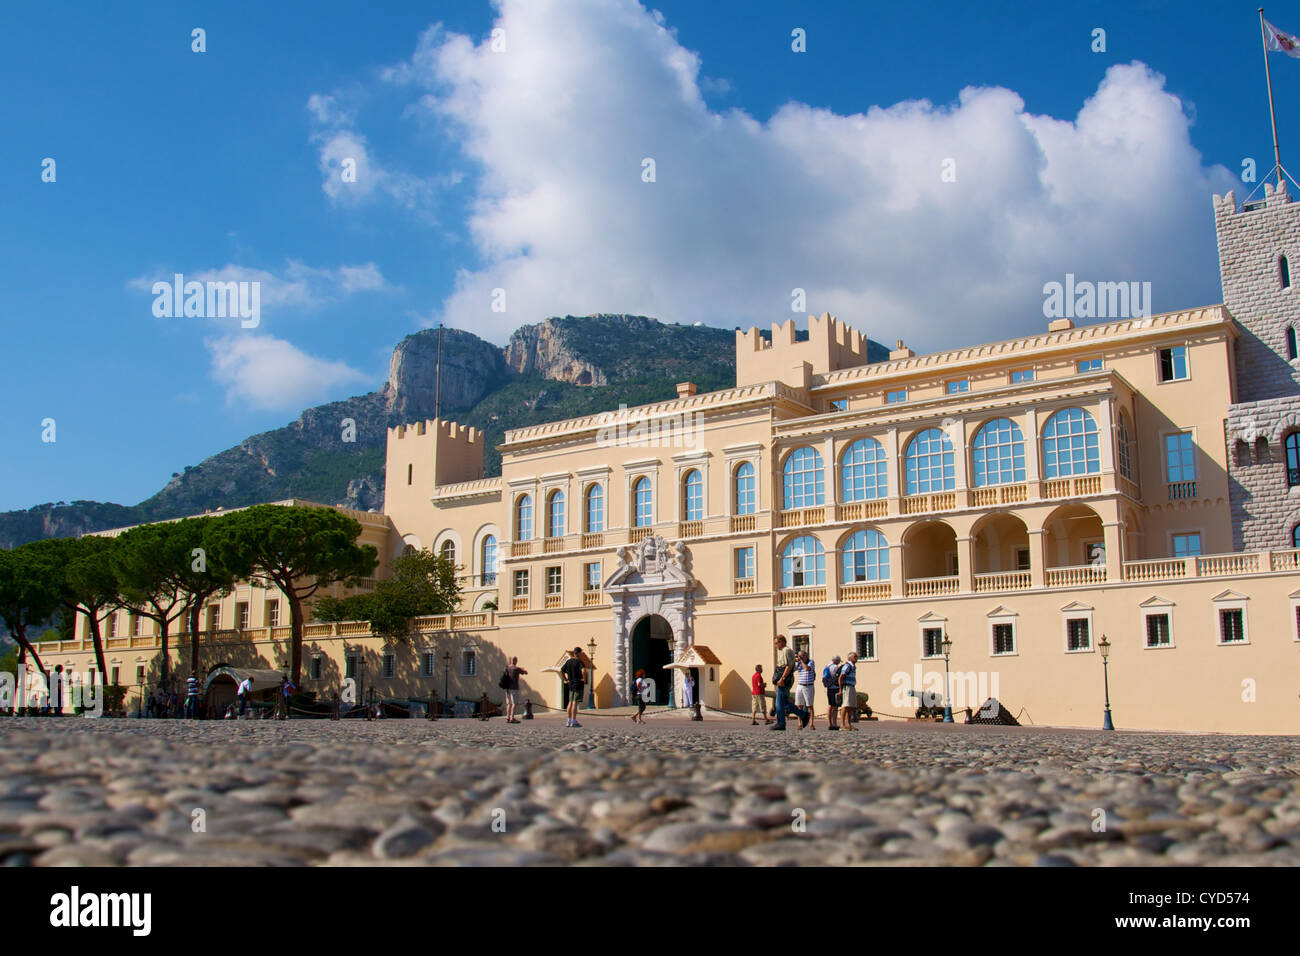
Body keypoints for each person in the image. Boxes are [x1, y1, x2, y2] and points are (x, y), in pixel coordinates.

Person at [771, 635, 807, 731]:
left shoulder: (787, 651)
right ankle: (783, 721)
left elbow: (788, 666)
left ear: (782, 642)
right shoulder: (784, 651)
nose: (775, 646)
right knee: (782, 702)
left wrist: (782, 679)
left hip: (785, 680)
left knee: (780, 703)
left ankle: (783, 722)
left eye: (776, 643)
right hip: (783, 679)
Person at [561, 647, 585, 728]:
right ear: (579, 653)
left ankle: (568, 720)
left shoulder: (568, 661)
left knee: (570, 702)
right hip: (578, 683)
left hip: (570, 683)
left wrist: (566, 680)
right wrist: (583, 678)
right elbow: (583, 671)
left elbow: (561, 670)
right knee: (575, 702)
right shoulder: (579, 662)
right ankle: (574, 721)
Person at [794, 650, 816, 729]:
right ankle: (800, 723)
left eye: (802, 656)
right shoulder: (798, 663)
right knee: (799, 706)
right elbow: (792, 668)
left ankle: (811, 724)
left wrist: (801, 661)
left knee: (810, 705)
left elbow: (807, 668)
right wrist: (794, 660)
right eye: (799, 656)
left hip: (808, 686)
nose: (800, 657)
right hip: (800, 685)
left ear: (805, 656)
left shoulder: (811, 662)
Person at [838, 652, 858, 730]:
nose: (857, 658)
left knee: (850, 706)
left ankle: (849, 724)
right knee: (845, 706)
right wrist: (840, 689)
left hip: (852, 686)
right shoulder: (847, 666)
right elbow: (841, 677)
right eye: (855, 656)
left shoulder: (853, 667)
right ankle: (842, 724)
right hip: (847, 687)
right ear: (850, 658)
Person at [504, 656, 527, 723]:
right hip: (514, 688)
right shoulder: (516, 669)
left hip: (507, 688)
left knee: (508, 703)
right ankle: (512, 717)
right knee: (514, 703)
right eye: (516, 660)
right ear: (515, 661)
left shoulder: (507, 668)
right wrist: (523, 669)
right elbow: (525, 672)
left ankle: (507, 717)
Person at [823, 655, 842, 730]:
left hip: (829, 688)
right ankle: (834, 723)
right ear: (836, 660)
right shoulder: (835, 667)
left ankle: (829, 723)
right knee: (835, 706)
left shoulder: (827, 666)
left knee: (830, 705)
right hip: (835, 687)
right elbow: (837, 677)